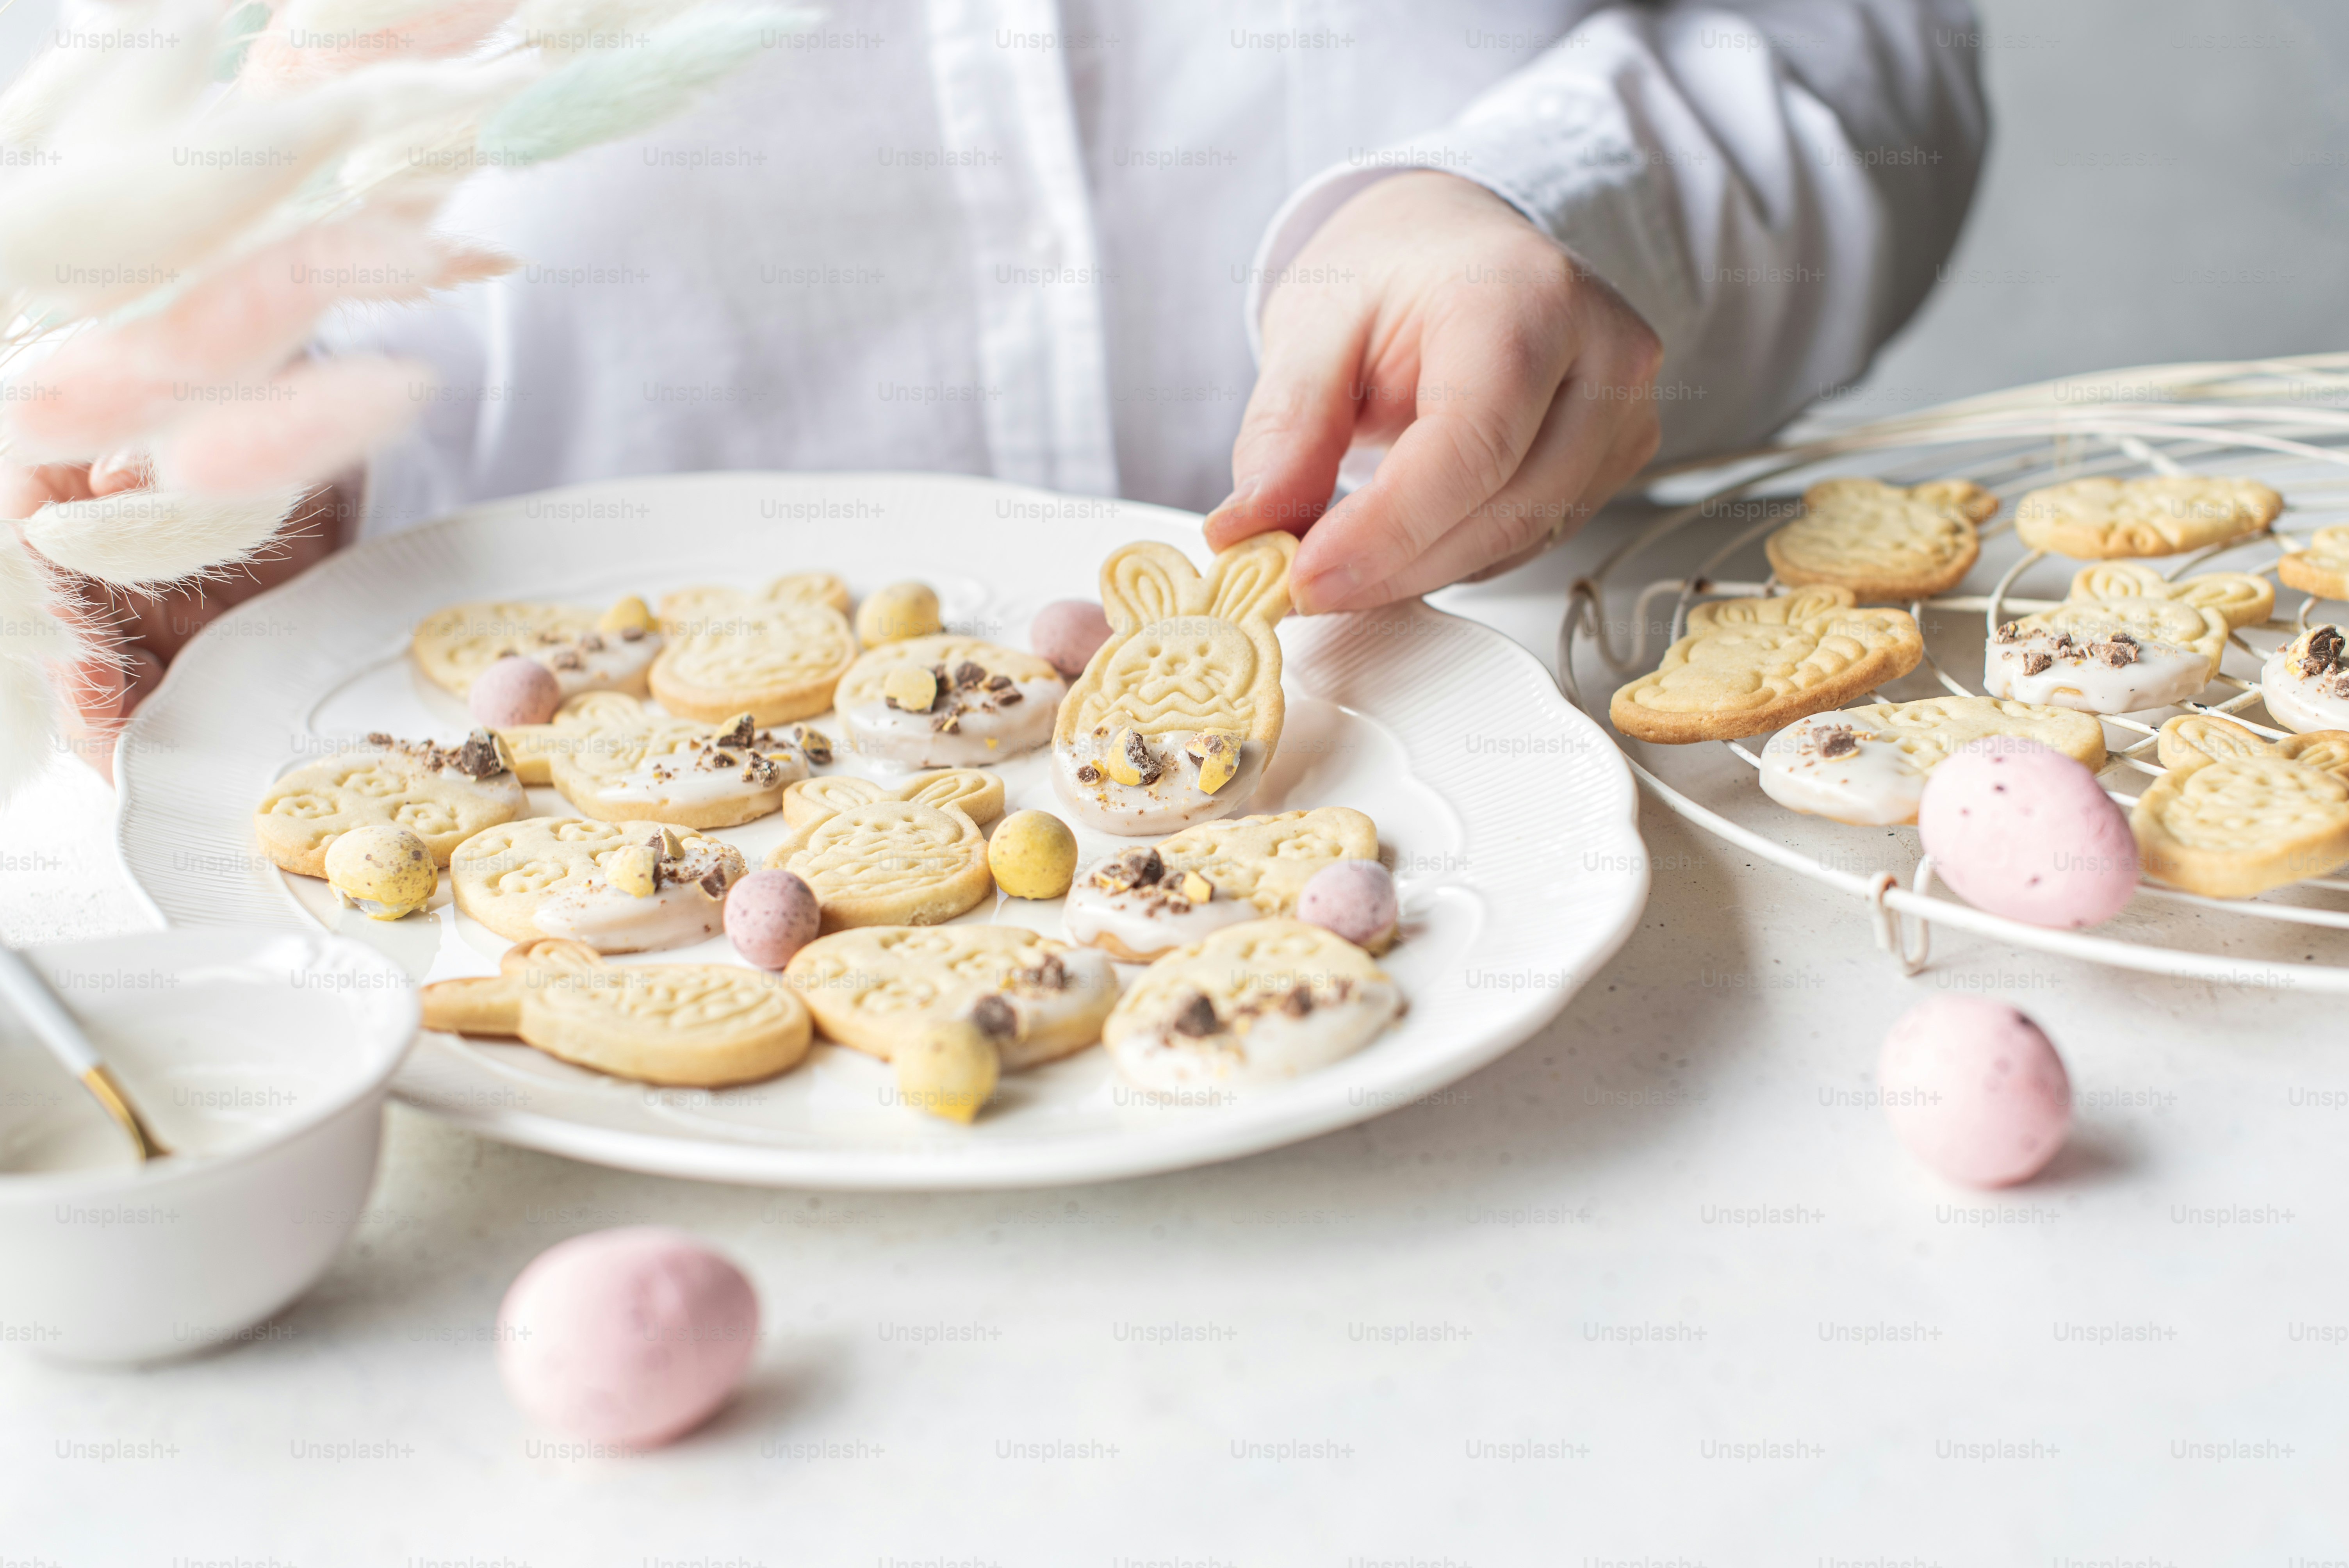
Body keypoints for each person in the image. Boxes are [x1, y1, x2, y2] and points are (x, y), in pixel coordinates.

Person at [13, 0, 1986, 772]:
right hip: (474, 785)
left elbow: (1867, 60)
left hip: (1502, 742)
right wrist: (190, 437)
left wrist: (1560, 213)